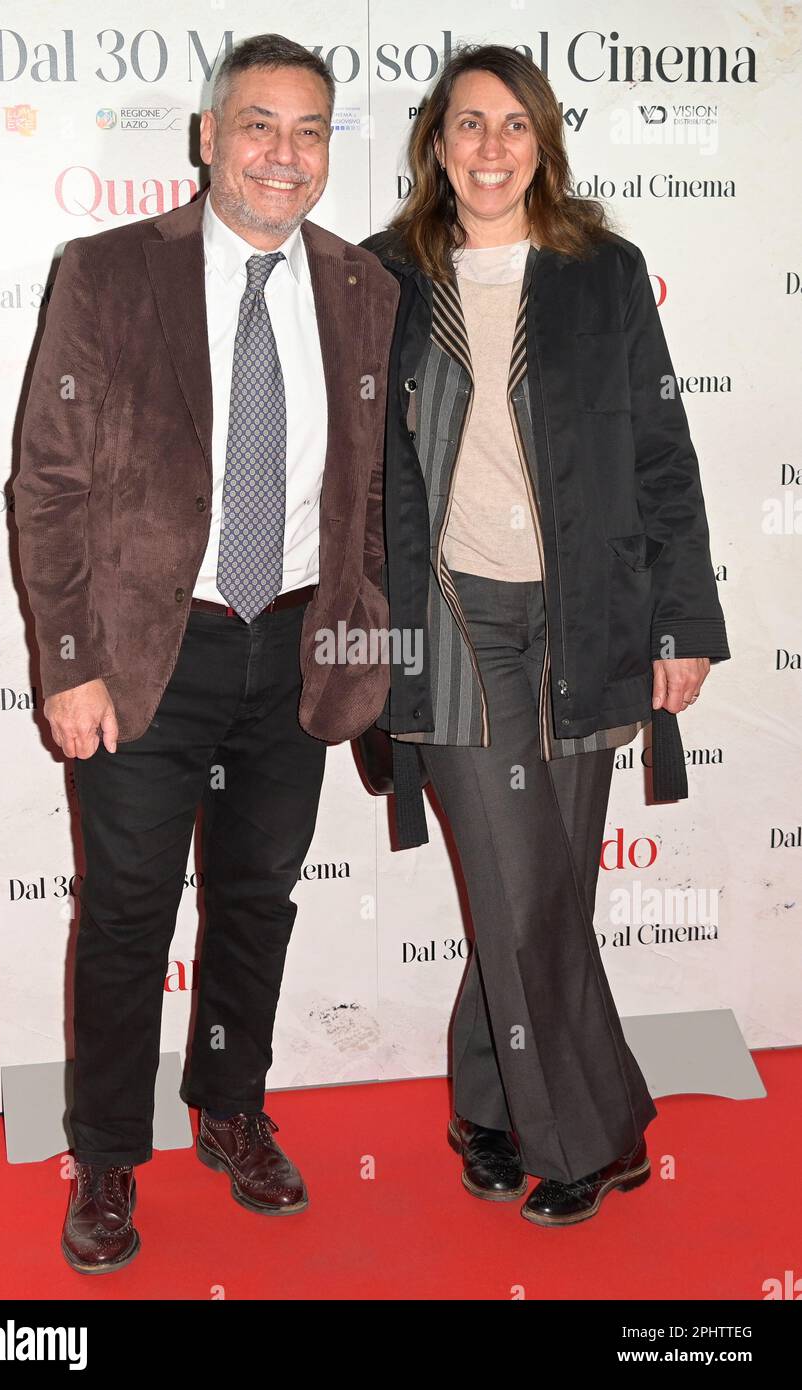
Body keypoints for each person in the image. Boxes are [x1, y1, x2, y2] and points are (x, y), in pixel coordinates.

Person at [14, 33, 398, 1273]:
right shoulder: (111, 272)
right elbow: (49, 484)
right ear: (207, 136)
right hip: (143, 658)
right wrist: (67, 660)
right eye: (258, 126)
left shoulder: (361, 288)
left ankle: (230, 1110)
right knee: (127, 914)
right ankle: (109, 1158)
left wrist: (363, 646)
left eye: (309, 132)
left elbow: (369, 500)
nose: (283, 155)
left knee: (255, 903)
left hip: (291, 650)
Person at [362, 44, 730, 1227]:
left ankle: (486, 1099)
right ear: (434, 142)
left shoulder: (600, 272)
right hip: (453, 618)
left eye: (512, 126)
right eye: (467, 124)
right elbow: (352, 481)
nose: (488, 147)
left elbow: (659, 456)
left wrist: (681, 616)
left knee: (546, 888)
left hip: (583, 617)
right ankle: (591, 1132)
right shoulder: (383, 277)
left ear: (544, 144)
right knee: (522, 885)